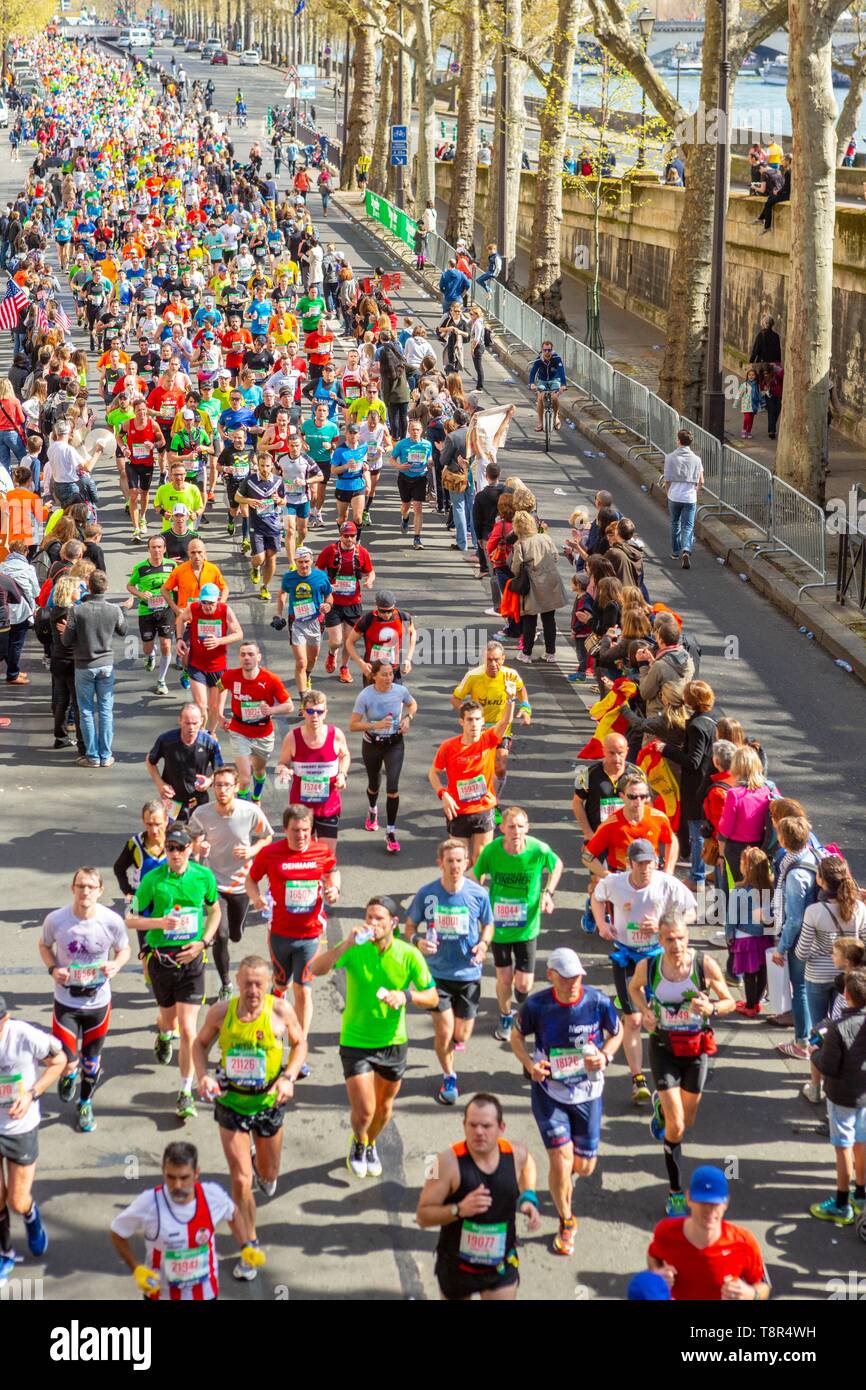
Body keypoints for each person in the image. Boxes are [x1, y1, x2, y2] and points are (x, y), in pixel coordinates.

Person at [310, 896, 438, 1179]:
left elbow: (432, 996)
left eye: (379, 918)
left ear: (393, 923)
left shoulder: (409, 955)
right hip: (356, 1042)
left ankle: (370, 1143)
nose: (372, 923)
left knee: (384, 1109)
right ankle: (359, 1141)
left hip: (393, 1043)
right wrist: (345, 944)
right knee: (365, 1111)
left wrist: (405, 995)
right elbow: (316, 969)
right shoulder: (355, 950)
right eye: (369, 917)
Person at [510, 948, 622, 1256]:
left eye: (578, 977)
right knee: (560, 1159)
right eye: (568, 977)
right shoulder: (537, 1005)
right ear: (551, 976)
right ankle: (566, 1220)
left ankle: (564, 1177)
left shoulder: (597, 1001)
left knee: (583, 1168)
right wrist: (530, 1065)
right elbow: (516, 1037)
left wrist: (606, 1055)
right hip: (550, 1092)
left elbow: (618, 1031)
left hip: (588, 1092)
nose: (574, 983)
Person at [193, 956, 306, 1254]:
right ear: (237, 984)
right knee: (241, 1181)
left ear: (268, 985)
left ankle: (261, 1164)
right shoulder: (221, 1012)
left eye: (258, 984)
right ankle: (250, 1242)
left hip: (269, 1103)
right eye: (247, 984)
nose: (252, 990)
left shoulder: (280, 1011)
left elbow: (300, 1043)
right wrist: (203, 1076)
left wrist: (289, 1077)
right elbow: (199, 1043)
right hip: (231, 1103)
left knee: (267, 1176)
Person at [629, 912, 735, 1217]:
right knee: (675, 1127)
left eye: (680, 938)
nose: (676, 945)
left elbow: (730, 1002)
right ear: (659, 940)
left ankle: (662, 1109)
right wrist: (644, 1011)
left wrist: (712, 1006)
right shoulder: (648, 966)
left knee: (686, 1122)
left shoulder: (703, 964)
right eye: (669, 939)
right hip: (663, 1046)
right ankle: (676, 1191)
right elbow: (635, 988)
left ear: (687, 938)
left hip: (696, 1048)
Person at [125, 826, 221, 1121]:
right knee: (168, 1021)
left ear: (190, 849)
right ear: (165, 850)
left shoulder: (203, 877)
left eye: (180, 848)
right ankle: (164, 1035)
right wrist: (160, 924)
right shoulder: (152, 880)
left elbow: (215, 911)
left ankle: (185, 1092)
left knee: (189, 1029)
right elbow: (130, 919)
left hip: (192, 961)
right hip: (162, 962)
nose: (175, 854)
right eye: (170, 848)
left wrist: (203, 941)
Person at [591, 839, 697, 1106]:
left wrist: (664, 926)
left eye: (650, 863)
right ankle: (638, 1079)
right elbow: (597, 896)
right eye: (640, 864)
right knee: (634, 1019)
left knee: (662, 1016)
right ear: (630, 864)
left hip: (656, 957)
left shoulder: (667, 884)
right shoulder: (615, 883)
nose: (646, 868)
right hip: (626, 955)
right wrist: (602, 924)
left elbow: (693, 911)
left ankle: (669, 1074)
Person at [416, 1093, 541, 1300]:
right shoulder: (447, 1163)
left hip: (500, 1266)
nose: (479, 1132)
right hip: (457, 1267)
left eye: (486, 1126)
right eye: (472, 1125)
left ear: (501, 1128)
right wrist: (459, 1210)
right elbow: (423, 1216)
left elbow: (528, 1163)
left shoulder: (514, 1153)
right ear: (464, 1125)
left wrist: (528, 1197)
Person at [38, 867, 130, 1134]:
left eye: (91, 887)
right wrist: (54, 969)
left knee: (92, 1060)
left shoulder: (111, 921)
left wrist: (116, 965)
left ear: (100, 890)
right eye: (81, 886)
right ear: (72, 888)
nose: (85, 892)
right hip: (66, 1000)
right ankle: (68, 1074)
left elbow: (124, 949)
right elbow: (43, 945)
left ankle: (86, 1102)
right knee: (68, 1059)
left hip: (98, 1002)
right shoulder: (56, 920)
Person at [109, 1140, 264, 1298]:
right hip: (161, 1295)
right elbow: (117, 1232)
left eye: (184, 1178)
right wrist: (136, 1269)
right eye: (170, 1177)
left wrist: (245, 1245)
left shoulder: (213, 1197)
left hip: (205, 1294)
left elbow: (233, 1213)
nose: (177, 1185)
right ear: (163, 1171)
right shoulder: (149, 1203)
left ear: (196, 1173)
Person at [404, 839, 494, 1104]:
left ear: (467, 863)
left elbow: (488, 924)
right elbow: (409, 927)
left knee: (461, 1034)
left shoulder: (479, 894)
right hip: (437, 974)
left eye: (459, 861)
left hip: (468, 973)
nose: (455, 866)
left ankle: (455, 1041)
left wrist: (483, 944)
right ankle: (449, 1075)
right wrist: (417, 942)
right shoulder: (427, 894)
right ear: (439, 863)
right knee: (444, 1031)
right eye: (449, 861)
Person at [246, 805, 340, 1057]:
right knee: (281, 984)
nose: (301, 836)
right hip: (280, 932)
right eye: (296, 831)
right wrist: (256, 899)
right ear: (285, 830)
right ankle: (276, 1004)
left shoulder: (322, 851)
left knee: (303, 989)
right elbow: (251, 879)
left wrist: (334, 889)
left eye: (306, 831)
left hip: (310, 934)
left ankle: (299, 1045)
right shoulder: (270, 853)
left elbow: (332, 873)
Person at [472, 807, 563, 1043]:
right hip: (499, 927)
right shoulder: (492, 851)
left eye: (521, 826)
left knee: (523, 985)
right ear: (502, 828)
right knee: (504, 978)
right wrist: (473, 900)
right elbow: (475, 876)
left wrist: (548, 893)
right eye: (511, 826)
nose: (516, 831)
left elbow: (557, 865)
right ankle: (505, 1016)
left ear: (527, 828)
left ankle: (521, 1006)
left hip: (527, 927)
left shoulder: (538, 849)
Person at [187, 767, 273, 1001]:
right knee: (221, 935)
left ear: (236, 787)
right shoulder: (201, 813)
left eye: (227, 785)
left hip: (241, 885)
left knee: (235, 934)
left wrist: (251, 850)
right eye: (218, 785)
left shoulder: (250, 812)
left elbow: (267, 836)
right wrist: (198, 847)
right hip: (214, 884)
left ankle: (236, 929)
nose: (222, 790)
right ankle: (225, 983)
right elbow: (191, 840)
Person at [0, 993, 65, 1286]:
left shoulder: (24, 1035)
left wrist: (31, 1094)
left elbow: (59, 1059)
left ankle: (30, 1215)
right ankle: (5, 1252)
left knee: (16, 1199)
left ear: (5, 1020)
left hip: (20, 1128)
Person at [647, 1165, 770, 1300]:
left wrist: (753, 1294)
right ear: (688, 1199)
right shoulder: (666, 1232)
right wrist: (656, 1274)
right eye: (703, 1202)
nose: (710, 1210)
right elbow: (653, 1255)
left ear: (726, 1203)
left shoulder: (743, 1242)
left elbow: (764, 1286)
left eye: (715, 1203)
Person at [809, 967, 866, 1225]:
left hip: (842, 1094)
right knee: (862, 1142)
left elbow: (828, 1066)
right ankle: (861, 1194)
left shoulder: (838, 1027)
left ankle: (842, 1204)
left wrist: (814, 1052)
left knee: (843, 1145)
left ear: (847, 994)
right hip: (864, 1093)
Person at [429, 696, 516, 865]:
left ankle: (476, 892)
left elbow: (506, 721)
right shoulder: (448, 747)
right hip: (458, 811)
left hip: (484, 809)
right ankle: (455, 890)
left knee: (481, 860)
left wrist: (511, 699)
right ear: (462, 722)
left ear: (483, 721)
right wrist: (443, 794)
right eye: (469, 719)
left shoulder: (489, 739)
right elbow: (433, 773)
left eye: (477, 719)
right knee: (459, 861)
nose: (474, 724)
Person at [60, 570, 127, 768]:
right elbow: (123, 631)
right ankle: (106, 755)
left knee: (86, 710)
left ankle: (92, 756)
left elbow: (66, 640)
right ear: (105, 588)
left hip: (84, 665)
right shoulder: (114, 610)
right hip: (105, 664)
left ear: (88, 587)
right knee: (106, 710)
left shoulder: (77, 611)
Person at [349, 659, 417, 852]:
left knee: (393, 788)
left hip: (394, 743)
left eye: (391, 674)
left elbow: (412, 705)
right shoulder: (365, 695)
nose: (389, 678)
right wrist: (375, 725)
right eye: (384, 674)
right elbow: (353, 725)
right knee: (373, 784)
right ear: (374, 676)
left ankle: (391, 831)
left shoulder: (400, 691)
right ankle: (372, 810)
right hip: (372, 744)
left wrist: (407, 718)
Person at [451, 640, 530, 802]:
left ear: (503, 658)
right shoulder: (473, 676)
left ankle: (493, 802)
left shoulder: (511, 675)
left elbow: (521, 689)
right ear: (484, 659)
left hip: (501, 727)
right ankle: (476, 800)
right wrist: (469, 718)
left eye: (496, 659)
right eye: (489, 660)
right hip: (478, 730)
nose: (493, 664)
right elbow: (455, 699)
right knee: (478, 769)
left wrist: (526, 708)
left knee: (500, 768)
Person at [274, 691, 351, 855]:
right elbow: (282, 763)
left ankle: (323, 881)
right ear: (303, 712)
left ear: (325, 713)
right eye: (310, 711)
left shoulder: (335, 735)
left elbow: (345, 755)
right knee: (301, 855)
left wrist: (342, 774)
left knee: (326, 856)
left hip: (328, 806)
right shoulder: (292, 737)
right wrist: (284, 771)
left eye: (319, 712)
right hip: (300, 808)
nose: (314, 716)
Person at [216, 640, 294, 802]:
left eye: (251, 654)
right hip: (239, 730)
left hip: (262, 733)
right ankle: (244, 809)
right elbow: (221, 687)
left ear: (258, 657)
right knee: (244, 778)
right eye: (243, 654)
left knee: (259, 771)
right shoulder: (231, 675)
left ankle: (256, 796)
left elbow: (289, 706)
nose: (246, 658)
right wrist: (219, 713)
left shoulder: (271, 680)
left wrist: (271, 710)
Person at [177, 583, 244, 731]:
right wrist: (179, 639)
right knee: (202, 706)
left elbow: (239, 634)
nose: (207, 607)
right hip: (197, 666)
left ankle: (211, 733)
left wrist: (219, 641)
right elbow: (181, 619)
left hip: (218, 669)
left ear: (218, 600)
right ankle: (200, 735)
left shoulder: (225, 611)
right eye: (204, 602)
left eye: (211, 603)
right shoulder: (194, 608)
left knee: (215, 709)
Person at [316, 521, 375, 683]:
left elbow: (371, 571)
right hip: (333, 602)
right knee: (336, 641)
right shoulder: (330, 551)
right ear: (340, 536)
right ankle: (331, 653)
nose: (349, 539)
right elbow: (318, 572)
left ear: (356, 536)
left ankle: (344, 668)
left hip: (353, 603)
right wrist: (326, 585)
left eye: (352, 536)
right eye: (345, 536)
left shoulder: (361, 552)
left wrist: (369, 580)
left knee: (349, 641)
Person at [146, 702, 223, 823]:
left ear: (202, 721)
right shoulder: (166, 740)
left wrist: (209, 780)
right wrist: (160, 784)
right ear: (180, 721)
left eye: (195, 723)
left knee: (197, 835)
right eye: (187, 723)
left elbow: (220, 770)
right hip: (172, 798)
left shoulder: (209, 743)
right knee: (169, 834)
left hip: (197, 798)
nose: (191, 727)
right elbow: (150, 760)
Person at [273, 546, 333, 698]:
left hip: (315, 621)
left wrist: (328, 605)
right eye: (300, 562)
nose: (304, 565)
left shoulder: (321, 577)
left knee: (312, 659)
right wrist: (278, 615)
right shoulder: (289, 578)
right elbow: (282, 593)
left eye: (306, 561)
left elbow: (329, 595)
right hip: (297, 622)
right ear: (295, 562)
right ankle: (304, 698)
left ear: (312, 561)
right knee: (301, 661)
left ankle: (307, 676)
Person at [510, 512, 568, 663]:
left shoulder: (520, 544)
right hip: (550, 582)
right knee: (549, 619)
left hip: (532, 585)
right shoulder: (544, 537)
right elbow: (555, 557)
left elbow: (516, 568)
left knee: (530, 620)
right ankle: (550, 653)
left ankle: (527, 653)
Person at [127, 533, 177, 696]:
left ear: (164, 549)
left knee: (166, 645)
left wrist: (176, 591)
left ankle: (161, 680)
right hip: (146, 611)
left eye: (159, 547)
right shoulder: (141, 567)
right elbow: (130, 586)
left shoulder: (172, 565)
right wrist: (140, 594)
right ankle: (150, 656)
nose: (156, 550)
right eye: (153, 547)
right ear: (148, 549)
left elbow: (179, 583)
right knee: (148, 648)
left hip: (166, 611)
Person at [662, 429, 703, 569]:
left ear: (678, 441)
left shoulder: (670, 457)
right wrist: (696, 491)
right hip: (690, 497)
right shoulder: (697, 460)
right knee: (688, 526)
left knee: (675, 523)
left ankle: (675, 552)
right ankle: (686, 549)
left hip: (674, 495)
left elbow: (667, 479)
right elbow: (701, 480)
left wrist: (668, 493)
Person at [389, 416, 433, 550]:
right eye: (413, 429)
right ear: (409, 430)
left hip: (420, 478)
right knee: (405, 507)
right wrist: (399, 466)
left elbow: (429, 457)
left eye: (418, 429)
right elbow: (392, 459)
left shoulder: (427, 444)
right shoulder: (402, 444)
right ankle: (405, 518)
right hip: (404, 478)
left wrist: (430, 462)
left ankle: (417, 538)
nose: (415, 432)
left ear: (422, 430)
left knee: (418, 508)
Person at [528, 341, 566, 431]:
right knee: (540, 398)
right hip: (542, 381)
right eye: (545, 350)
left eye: (549, 350)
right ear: (542, 350)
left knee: (554, 397)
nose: (547, 352)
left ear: (552, 350)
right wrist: (532, 383)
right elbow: (533, 372)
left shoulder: (556, 358)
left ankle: (556, 417)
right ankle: (540, 422)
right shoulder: (538, 360)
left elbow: (561, 371)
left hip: (555, 380)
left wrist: (563, 385)